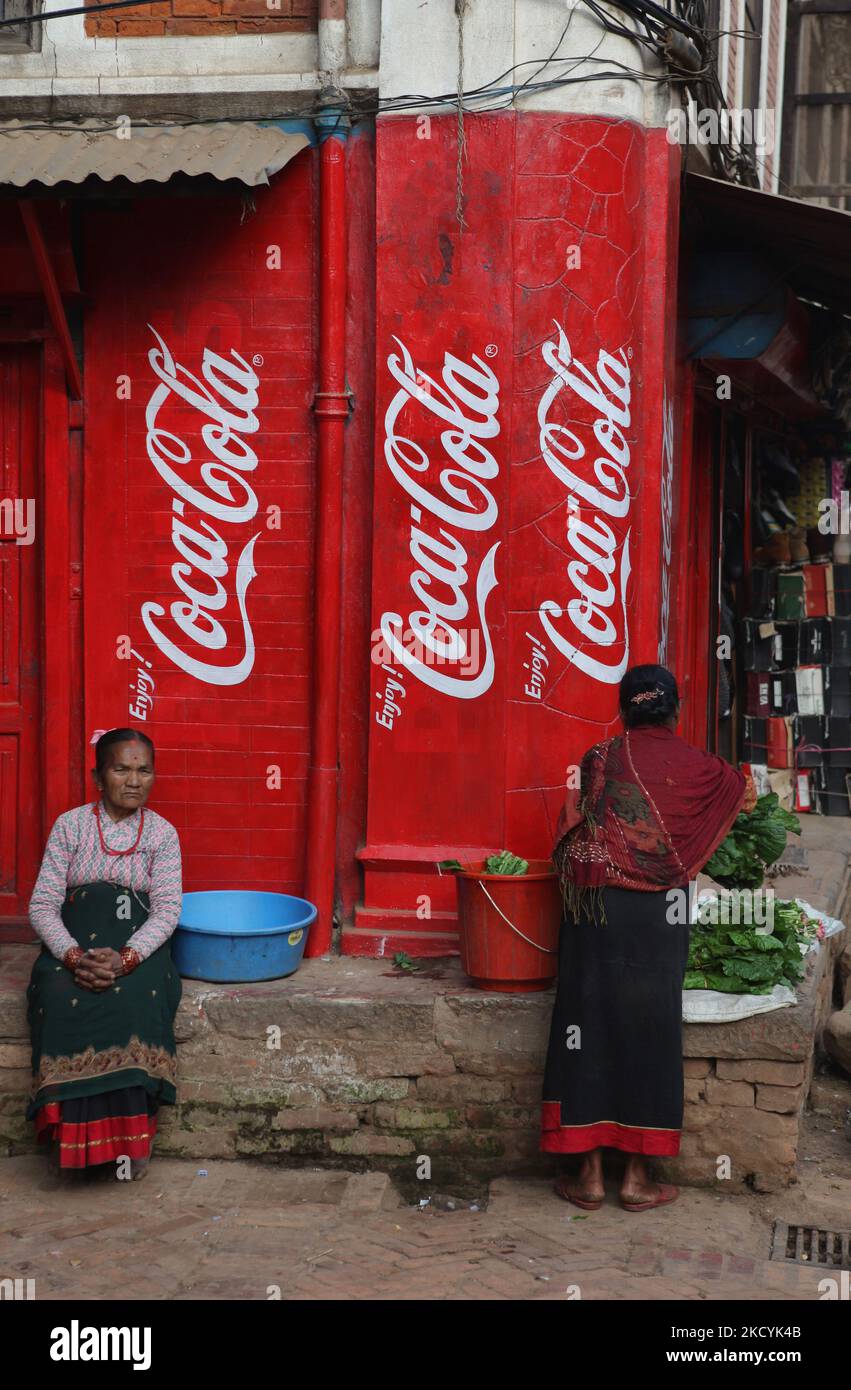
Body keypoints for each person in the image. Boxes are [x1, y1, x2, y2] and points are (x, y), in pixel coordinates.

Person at [540, 664, 756, 1212]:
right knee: (652, 1028)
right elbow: (740, 792)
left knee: (582, 1022)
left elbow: (571, 831)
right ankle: (637, 1179)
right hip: (663, 913)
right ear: (675, 709)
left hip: (595, 910)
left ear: (624, 709)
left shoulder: (599, 758)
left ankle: (587, 1176)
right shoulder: (706, 771)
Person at [26, 728, 182, 1180]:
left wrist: (128, 959)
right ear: (98, 776)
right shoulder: (70, 826)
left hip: (138, 949)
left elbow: (168, 910)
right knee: (59, 999)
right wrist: (73, 958)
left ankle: (128, 1147)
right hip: (73, 946)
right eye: (121, 768)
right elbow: (42, 904)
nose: (133, 780)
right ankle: (73, 1149)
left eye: (143, 769)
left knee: (135, 1001)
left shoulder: (162, 835)